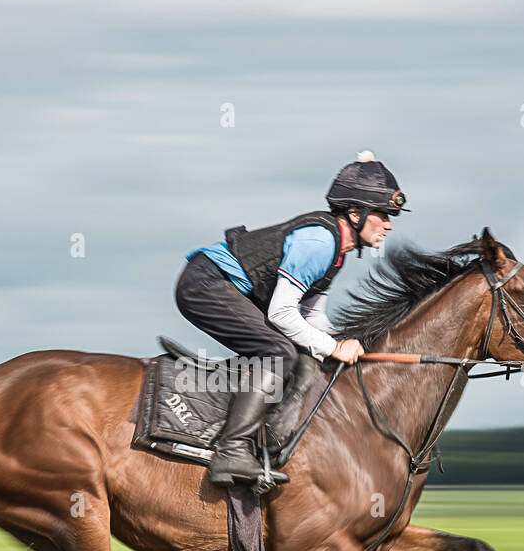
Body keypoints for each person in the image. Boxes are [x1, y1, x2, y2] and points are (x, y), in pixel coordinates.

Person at [175, 150, 409, 486]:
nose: (388, 225)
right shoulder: (318, 242)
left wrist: (342, 345)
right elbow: (282, 312)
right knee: (278, 351)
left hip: (224, 285)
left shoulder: (337, 253)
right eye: (383, 215)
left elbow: (312, 315)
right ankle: (232, 451)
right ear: (355, 213)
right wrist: (333, 347)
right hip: (205, 285)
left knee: (297, 351)